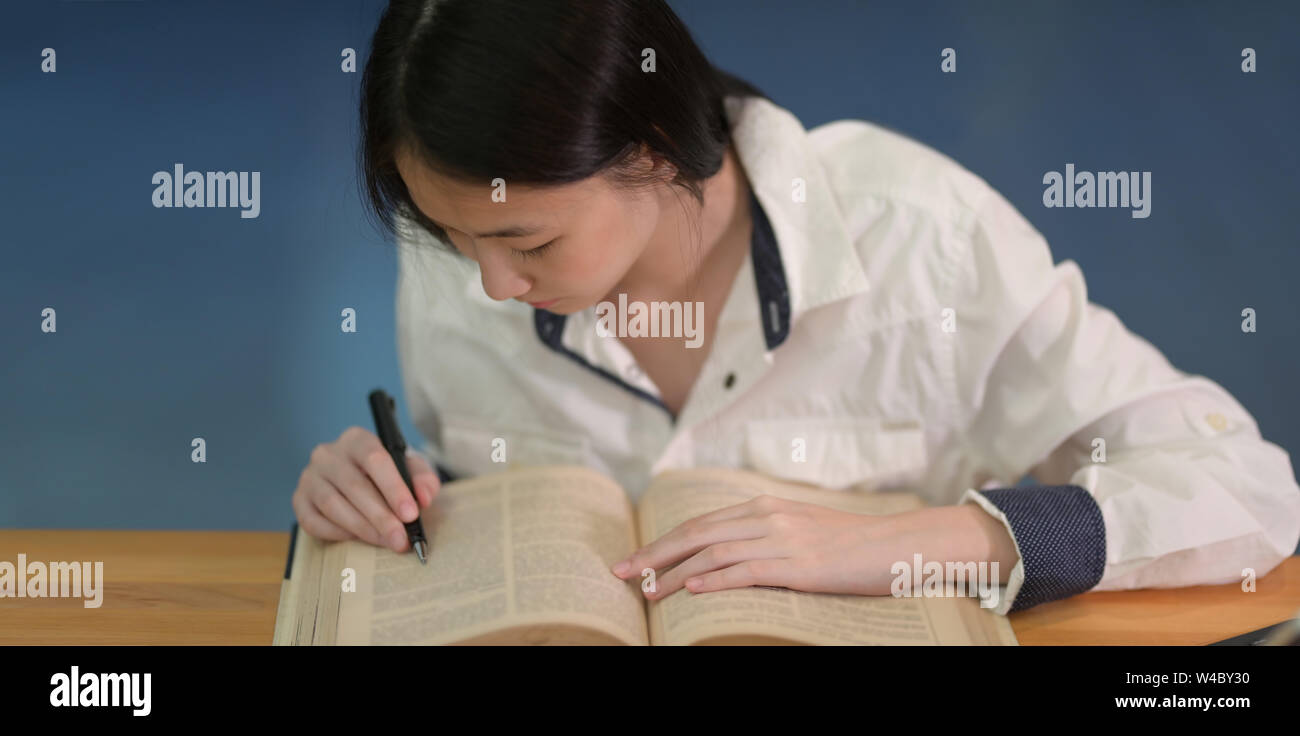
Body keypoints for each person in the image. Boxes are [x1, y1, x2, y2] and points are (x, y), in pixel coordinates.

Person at [291, 0, 1300, 614]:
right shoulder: (463, 267)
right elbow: (501, 492)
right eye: (449, 237)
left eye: (525, 242)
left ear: (645, 143)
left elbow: (1245, 487)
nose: (490, 289)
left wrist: (928, 542)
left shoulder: (920, 238)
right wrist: (393, 498)